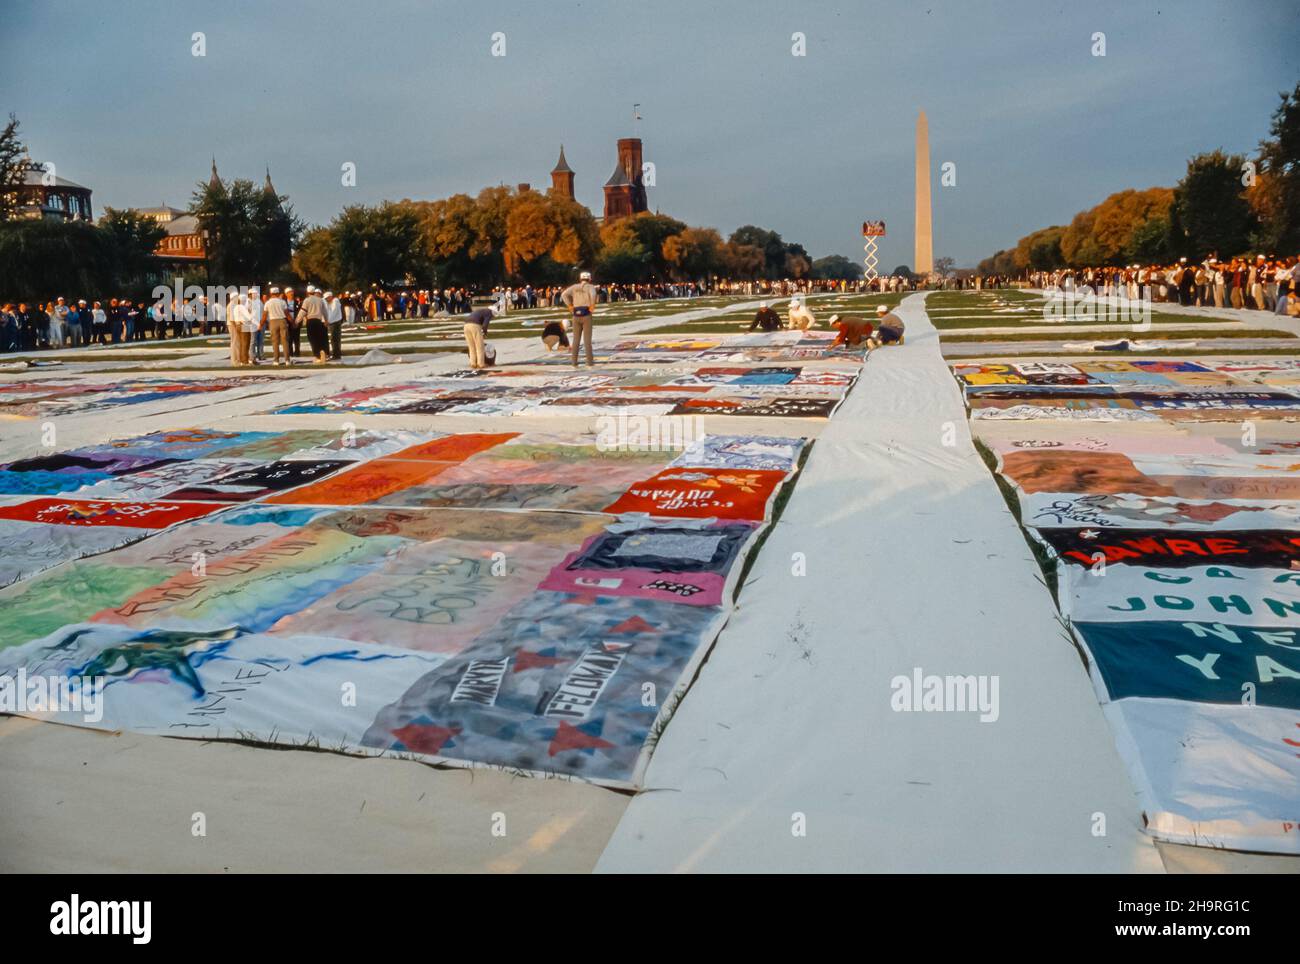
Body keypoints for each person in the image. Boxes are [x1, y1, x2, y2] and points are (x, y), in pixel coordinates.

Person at [561, 270, 599, 367]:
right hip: (586, 314)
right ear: (589, 279)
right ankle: (589, 362)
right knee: (587, 340)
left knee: (576, 340)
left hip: (576, 314)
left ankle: (574, 362)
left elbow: (564, 294)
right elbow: (593, 295)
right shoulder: (590, 287)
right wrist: (592, 304)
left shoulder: (574, 287)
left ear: (580, 278)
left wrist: (569, 305)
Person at [297, 287, 330, 363]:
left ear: (307, 292)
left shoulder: (307, 300)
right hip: (319, 321)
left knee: (312, 339)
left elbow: (303, 311)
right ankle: (323, 352)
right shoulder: (320, 300)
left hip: (311, 321)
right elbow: (325, 311)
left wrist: (297, 321)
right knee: (319, 338)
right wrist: (326, 320)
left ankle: (317, 355)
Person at [463, 304, 493, 368]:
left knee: (471, 346)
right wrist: (485, 332)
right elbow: (485, 325)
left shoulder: (481, 311)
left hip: (466, 325)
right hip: (475, 325)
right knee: (480, 346)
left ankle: (473, 363)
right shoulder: (489, 312)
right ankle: (481, 364)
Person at [325, 290, 343, 360]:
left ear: (330, 297)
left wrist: (328, 321)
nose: (326, 300)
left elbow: (334, 312)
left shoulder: (335, 301)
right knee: (334, 339)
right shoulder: (329, 303)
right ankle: (336, 354)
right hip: (332, 322)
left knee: (335, 339)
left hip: (335, 322)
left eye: (327, 298)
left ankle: (336, 354)